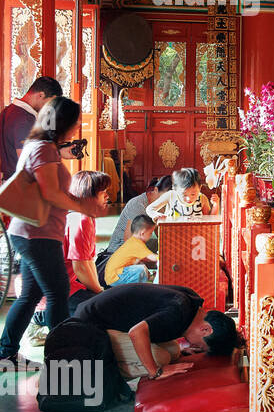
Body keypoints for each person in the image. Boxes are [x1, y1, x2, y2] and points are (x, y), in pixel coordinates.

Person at [0, 98, 106, 368]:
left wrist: (62, 153)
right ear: (63, 123)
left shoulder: (43, 146)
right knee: (58, 293)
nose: (78, 126)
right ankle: (61, 357)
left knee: (31, 296)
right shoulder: (44, 149)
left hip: (33, 232)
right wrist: (84, 206)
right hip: (37, 235)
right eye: (75, 122)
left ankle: (6, 353)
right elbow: (51, 193)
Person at [68, 283, 242, 380]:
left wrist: (181, 351)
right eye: (201, 346)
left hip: (107, 320)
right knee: (161, 358)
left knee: (174, 351)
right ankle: (103, 375)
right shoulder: (177, 312)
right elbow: (137, 332)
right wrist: (156, 371)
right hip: (91, 329)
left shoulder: (192, 303)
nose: (196, 346)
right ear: (206, 329)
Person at [65, 170, 112, 316]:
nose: (107, 196)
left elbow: (89, 262)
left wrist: (98, 290)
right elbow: (80, 267)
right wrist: (99, 292)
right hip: (59, 294)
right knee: (107, 310)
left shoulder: (88, 218)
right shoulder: (81, 219)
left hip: (71, 286)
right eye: (102, 191)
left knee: (111, 299)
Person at [0, 76, 62, 179]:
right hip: (20, 187)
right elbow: (28, 164)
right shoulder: (24, 120)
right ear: (41, 95)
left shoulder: (9, 110)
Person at [104, 175, 170, 257]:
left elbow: (159, 233)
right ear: (155, 190)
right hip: (120, 250)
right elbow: (128, 240)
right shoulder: (138, 205)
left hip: (140, 244)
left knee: (170, 247)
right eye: (165, 197)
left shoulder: (160, 204)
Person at [104, 215, 157, 286]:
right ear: (142, 233)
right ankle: (139, 290)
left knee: (141, 265)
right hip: (115, 277)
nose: (150, 236)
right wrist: (165, 257)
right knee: (141, 269)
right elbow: (153, 258)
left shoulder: (132, 241)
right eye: (150, 233)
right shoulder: (137, 244)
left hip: (112, 275)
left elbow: (146, 258)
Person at [146, 167, 211, 221]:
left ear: (200, 188)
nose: (189, 198)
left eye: (193, 194)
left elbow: (209, 218)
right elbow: (149, 209)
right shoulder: (171, 195)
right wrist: (156, 215)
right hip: (172, 232)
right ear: (175, 189)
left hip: (195, 233)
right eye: (184, 195)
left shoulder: (202, 198)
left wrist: (216, 205)